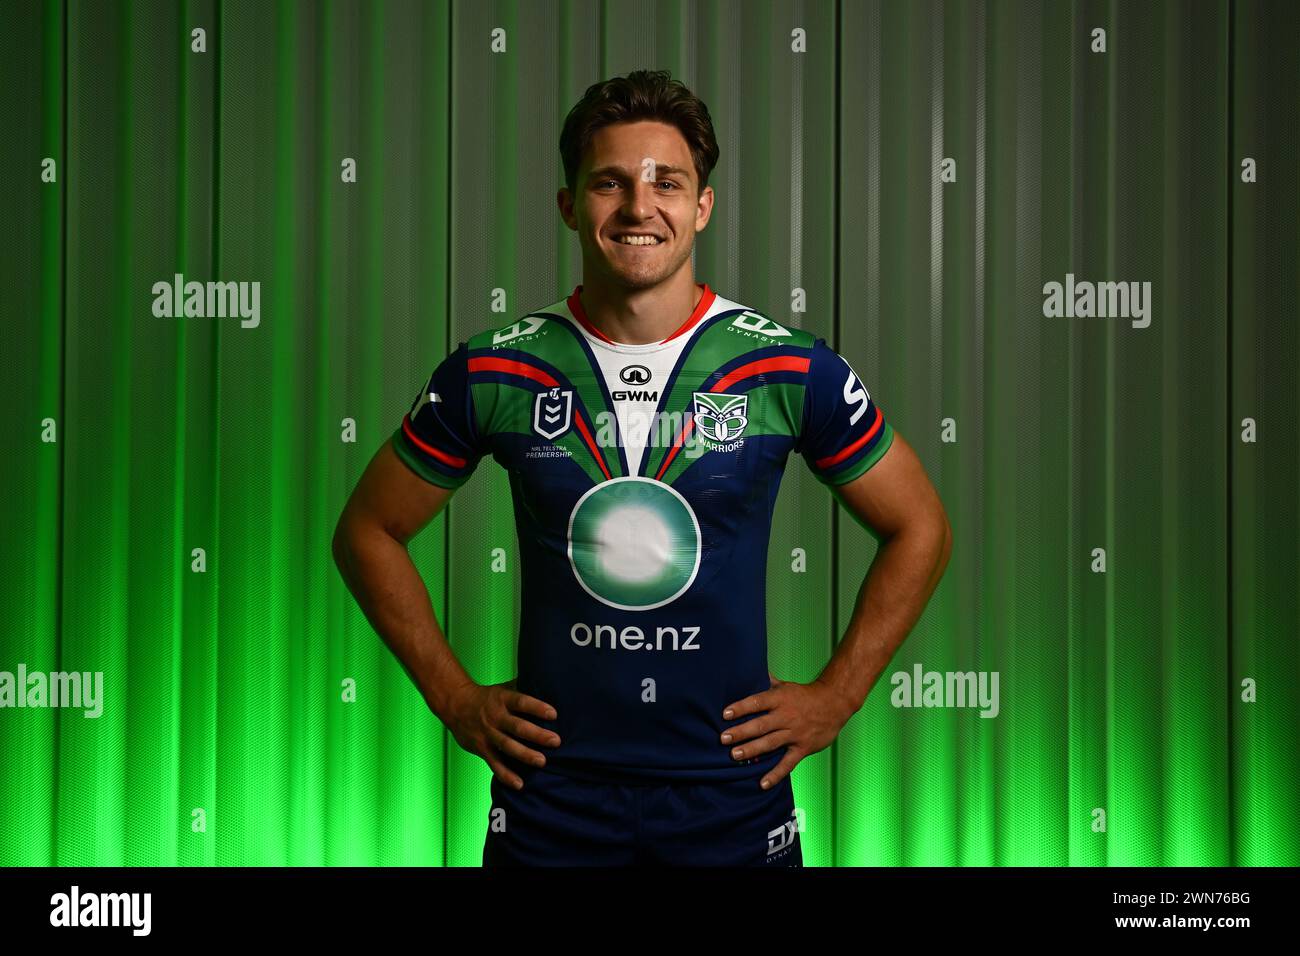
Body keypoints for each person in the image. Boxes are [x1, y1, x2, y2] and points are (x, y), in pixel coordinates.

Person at [332, 69, 951, 867]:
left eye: (668, 183)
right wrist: (454, 699)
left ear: (702, 206)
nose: (638, 207)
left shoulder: (786, 367)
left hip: (732, 793)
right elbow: (368, 531)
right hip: (552, 799)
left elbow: (920, 527)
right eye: (610, 184)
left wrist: (840, 694)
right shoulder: (495, 370)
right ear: (569, 207)